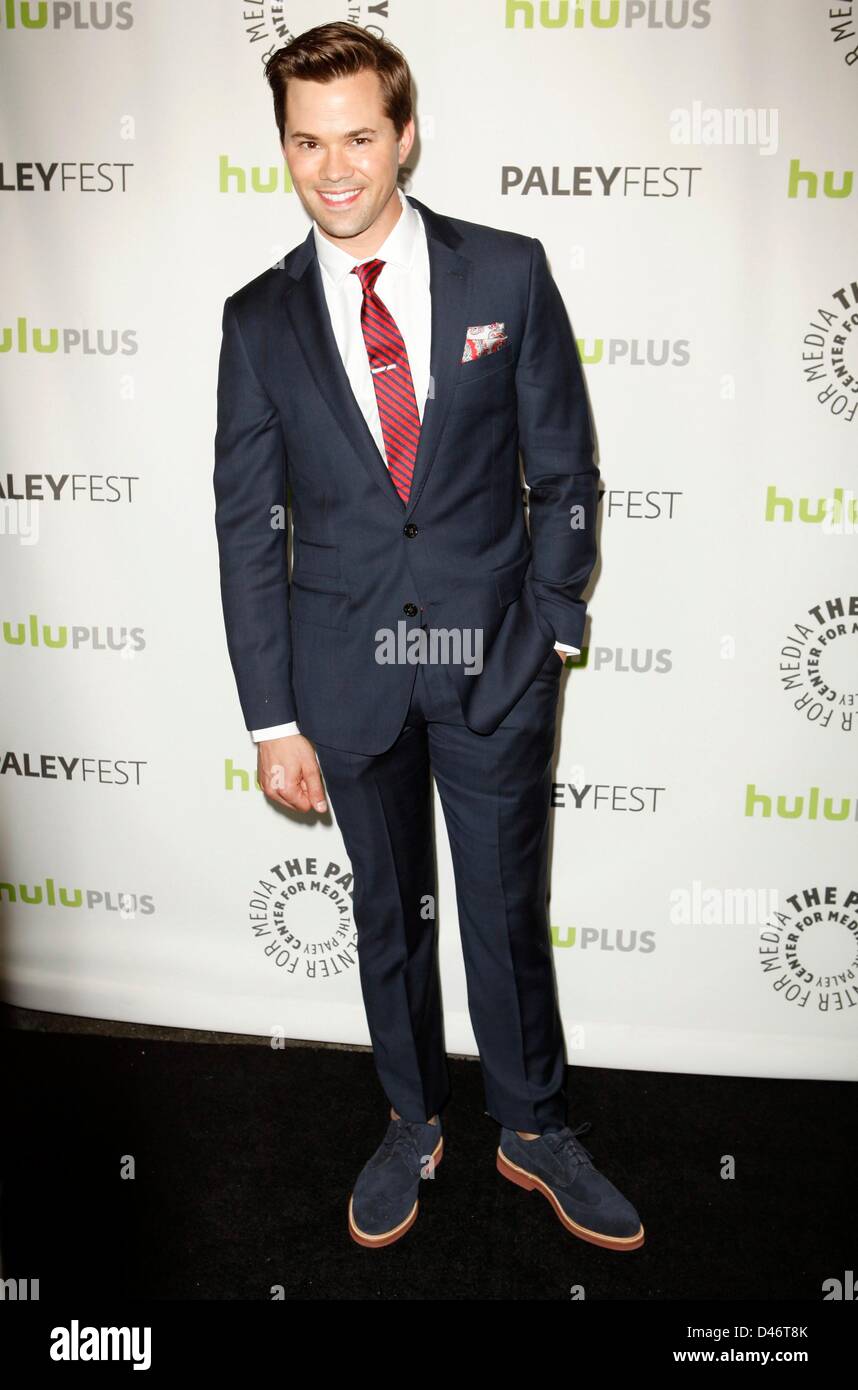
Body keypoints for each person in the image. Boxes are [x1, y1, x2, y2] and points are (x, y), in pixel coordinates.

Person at [213, 19, 643, 1253]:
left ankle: (534, 1126)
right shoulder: (257, 320)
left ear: (405, 133)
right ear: (284, 149)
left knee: (506, 908)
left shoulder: (505, 271)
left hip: (493, 665)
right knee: (386, 911)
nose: (334, 166)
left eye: (358, 135)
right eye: (307, 140)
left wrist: (552, 629)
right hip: (343, 678)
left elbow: (563, 465)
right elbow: (249, 526)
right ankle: (411, 1115)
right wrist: (271, 717)